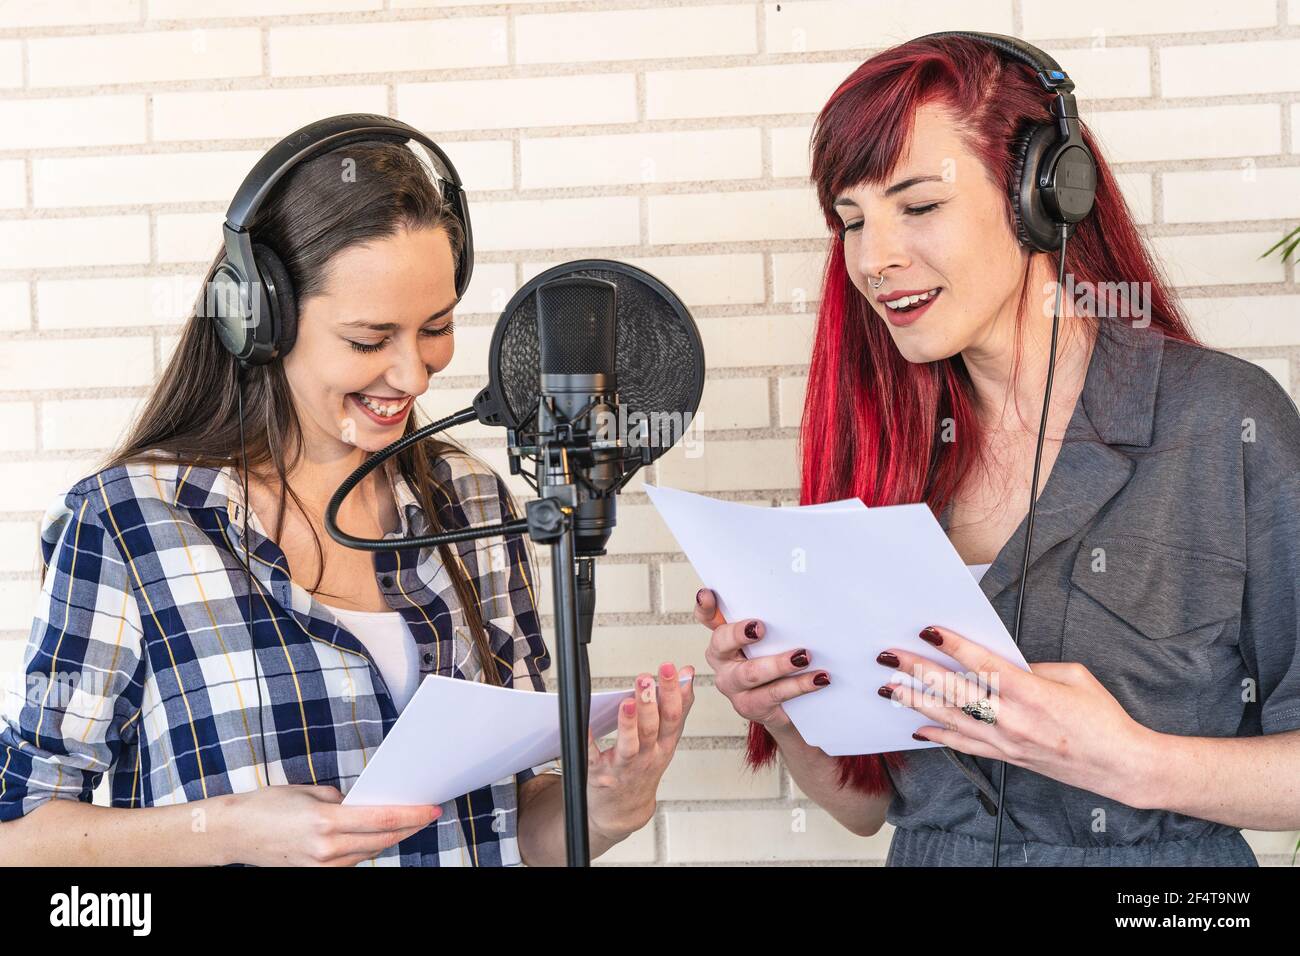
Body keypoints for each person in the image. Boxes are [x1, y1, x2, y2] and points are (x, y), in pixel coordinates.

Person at [0, 127, 694, 866]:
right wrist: (233, 828)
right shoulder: (127, 523)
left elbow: (517, 823)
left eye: (436, 328)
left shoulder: (475, 504)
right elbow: (22, 834)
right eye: (369, 340)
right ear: (258, 321)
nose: (414, 375)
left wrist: (607, 807)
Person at [695, 33, 1300, 865]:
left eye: (918, 206)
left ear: (1042, 195)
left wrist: (1134, 762)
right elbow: (873, 809)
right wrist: (781, 710)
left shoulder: (1224, 424)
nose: (876, 259)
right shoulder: (885, 446)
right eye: (851, 221)